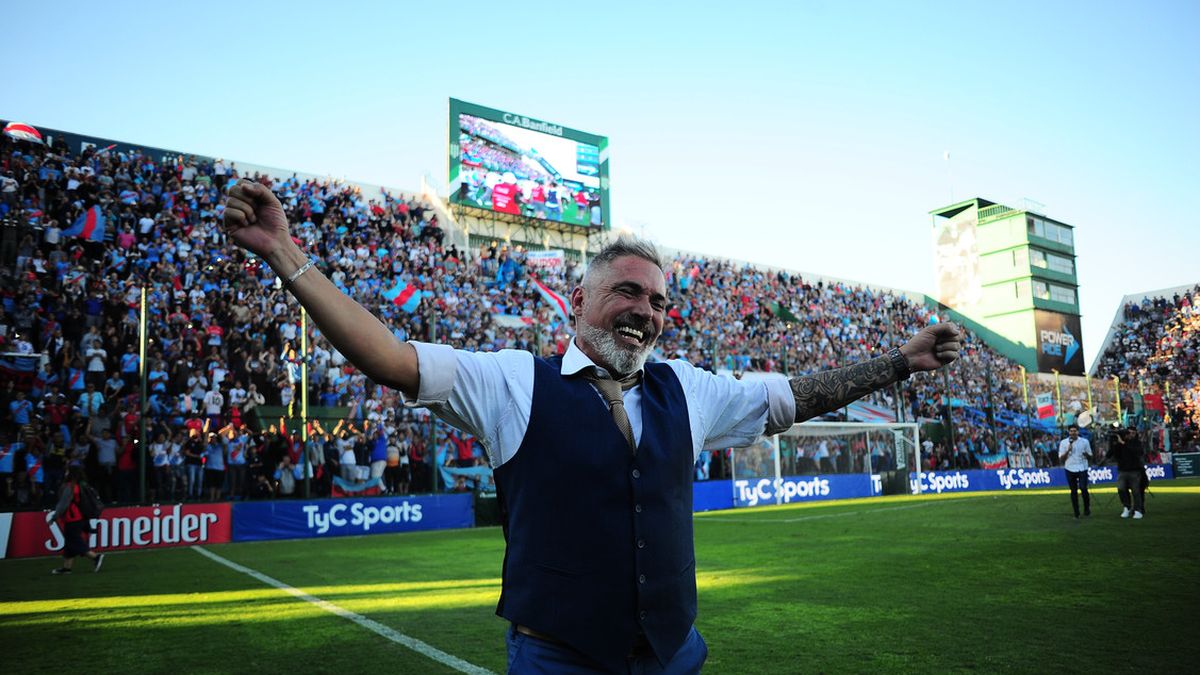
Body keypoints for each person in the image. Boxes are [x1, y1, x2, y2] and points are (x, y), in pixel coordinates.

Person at [224, 180, 961, 673]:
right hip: (558, 658)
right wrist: (285, 252)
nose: (646, 311)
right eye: (628, 292)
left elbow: (792, 397)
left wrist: (901, 361)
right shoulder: (514, 380)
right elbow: (388, 357)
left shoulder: (688, 388)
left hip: (672, 652)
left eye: (659, 302)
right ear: (578, 300)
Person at [47, 465, 104, 575]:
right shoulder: (81, 485)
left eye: (67, 471)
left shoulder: (70, 487)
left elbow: (63, 504)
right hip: (81, 517)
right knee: (70, 543)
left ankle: (95, 557)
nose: (65, 473)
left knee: (74, 541)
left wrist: (54, 517)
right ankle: (66, 568)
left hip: (72, 518)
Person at [1106, 426, 1146, 519]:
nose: (1130, 435)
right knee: (1121, 489)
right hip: (1122, 470)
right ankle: (1126, 507)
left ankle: (1138, 510)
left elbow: (1138, 453)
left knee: (1136, 491)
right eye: (1129, 433)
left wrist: (1123, 443)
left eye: (1132, 433)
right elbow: (1112, 454)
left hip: (1134, 470)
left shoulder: (1136, 443)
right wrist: (1115, 444)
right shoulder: (1119, 444)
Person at [1058, 424, 1093, 518]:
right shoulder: (1064, 443)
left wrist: (1086, 455)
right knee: (1073, 491)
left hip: (1082, 467)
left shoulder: (1084, 442)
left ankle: (1086, 508)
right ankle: (1076, 512)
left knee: (1083, 488)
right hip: (1070, 468)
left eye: (1075, 431)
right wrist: (1068, 450)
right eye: (1071, 431)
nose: (1073, 433)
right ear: (1068, 432)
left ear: (1078, 432)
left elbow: (1090, 456)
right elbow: (1061, 458)